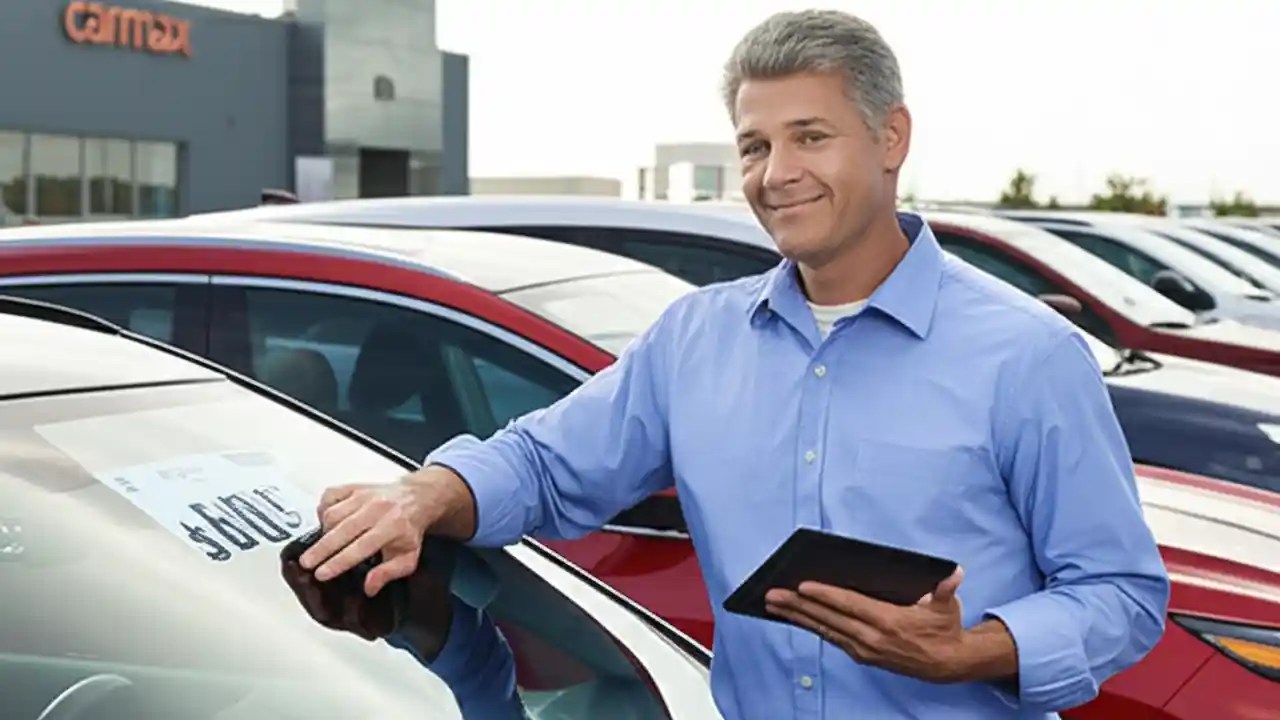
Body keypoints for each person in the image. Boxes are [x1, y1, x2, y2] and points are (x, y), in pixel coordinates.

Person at [295, 9, 1171, 719]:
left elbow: (1121, 594)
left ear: (891, 137)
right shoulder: (695, 341)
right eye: (754, 146)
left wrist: (970, 652)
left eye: (810, 137)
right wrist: (422, 498)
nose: (776, 173)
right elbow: (544, 463)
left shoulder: (1025, 355)